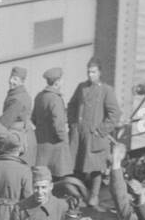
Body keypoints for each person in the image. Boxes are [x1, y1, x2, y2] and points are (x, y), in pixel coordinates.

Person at [68, 58, 122, 207]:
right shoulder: (81, 87)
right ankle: (77, 195)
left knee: (96, 167)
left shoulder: (106, 90)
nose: (90, 75)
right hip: (80, 134)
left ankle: (94, 195)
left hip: (96, 135)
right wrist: (72, 123)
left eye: (93, 72)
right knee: (78, 165)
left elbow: (115, 113)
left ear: (100, 73)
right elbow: (72, 105)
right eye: (88, 72)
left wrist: (101, 130)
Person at [33, 66, 71, 177]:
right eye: (61, 79)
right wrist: (65, 140)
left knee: (42, 177)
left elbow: (34, 118)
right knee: (57, 179)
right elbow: (59, 125)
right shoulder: (55, 99)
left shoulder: (39, 96)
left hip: (41, 145)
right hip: (55, 147)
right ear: (57, 82)